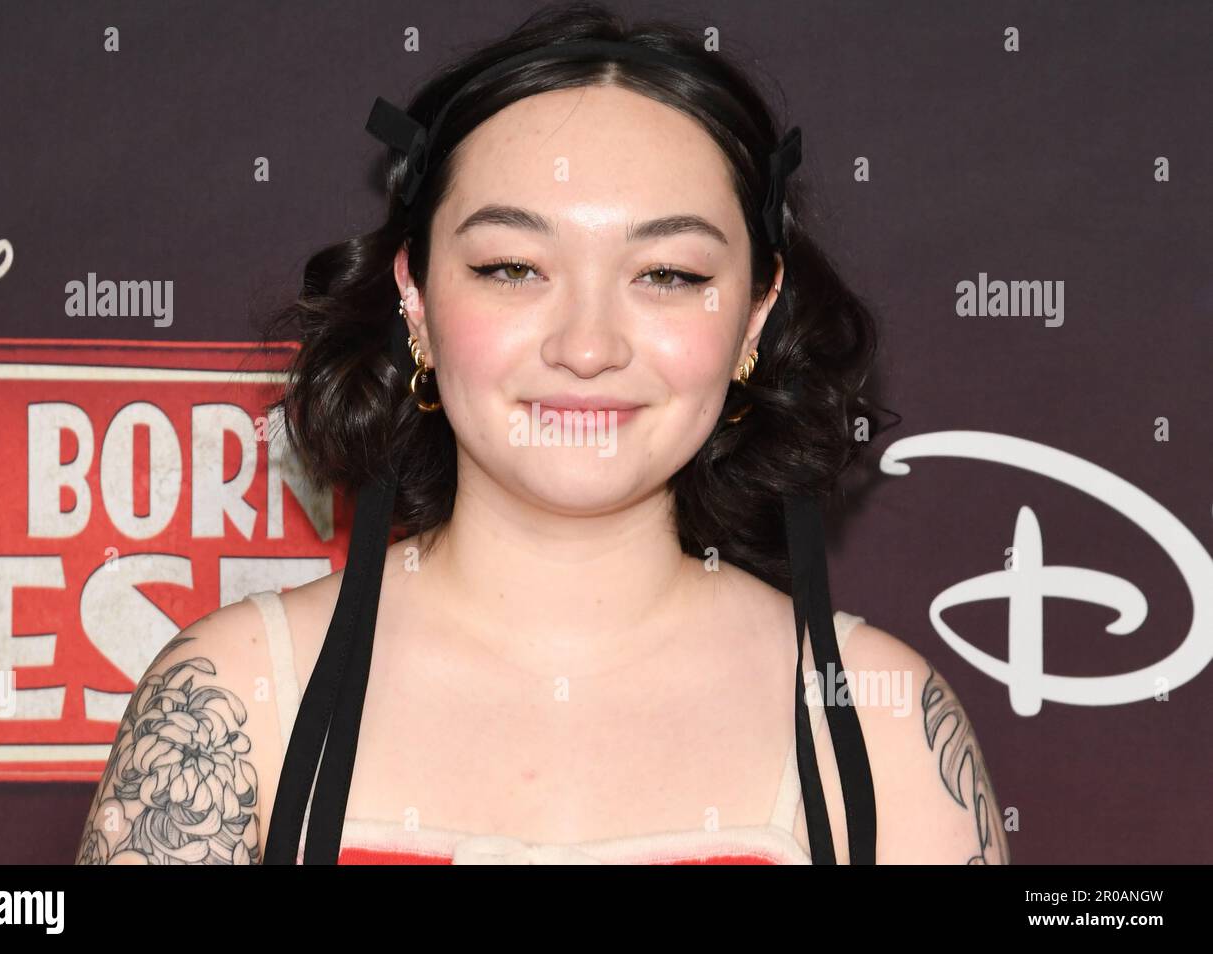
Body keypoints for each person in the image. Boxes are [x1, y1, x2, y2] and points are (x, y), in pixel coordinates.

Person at [75, 1, 1010, 866]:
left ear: (757, 318)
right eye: (514, 266)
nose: (587, 346)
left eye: (670, 275)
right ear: (416, 296)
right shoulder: (235, 698)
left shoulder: (882, 726)